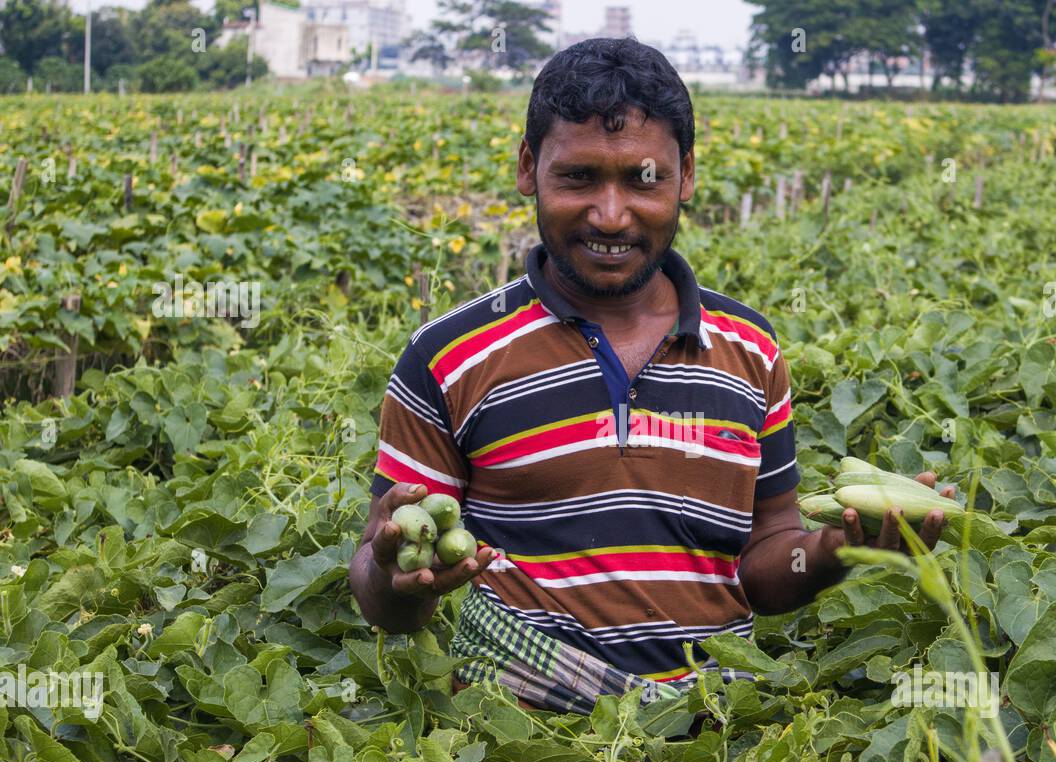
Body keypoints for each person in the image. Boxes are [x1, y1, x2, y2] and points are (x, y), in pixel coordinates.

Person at [348, 37, 954, 715]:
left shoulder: (749, 352)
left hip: (715, 740)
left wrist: (834, 551)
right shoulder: (446, 355)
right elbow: (389, 597)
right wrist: (391, 571)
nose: (611, 214)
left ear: (685, 176)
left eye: (642, 179)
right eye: (578, 177)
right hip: (511, 749)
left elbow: (763, 564)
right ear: (528, 168)